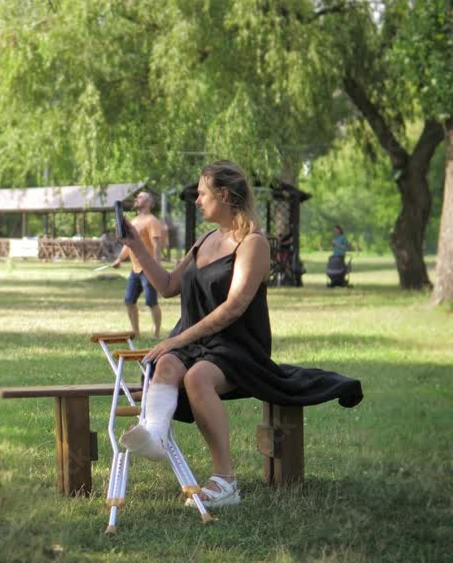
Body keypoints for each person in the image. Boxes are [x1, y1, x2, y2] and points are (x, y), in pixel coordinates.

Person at [115, 160, 362, 508]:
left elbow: (234, 307)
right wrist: (137, 247)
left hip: (237, 346)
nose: (197, 200)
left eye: (202, 194)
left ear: (225, 195)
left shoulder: (253, 244)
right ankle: (155, 436)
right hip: (195, 342)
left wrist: (178, 339)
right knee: (165, 365)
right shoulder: (204, 240)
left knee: (197, 377)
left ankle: (225, 481)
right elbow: (169, 285)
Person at [111, 191, 164, 338]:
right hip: (135, 270)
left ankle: (156, 334)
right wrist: (119, 259)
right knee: (129, 301)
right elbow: (128, 246)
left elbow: (156, 246)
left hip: (148, 269)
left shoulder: (152, 221)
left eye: (140, 197)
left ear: (149, 203)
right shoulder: (133, 221)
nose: (136, 199)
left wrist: (156, 269)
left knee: (152, 302)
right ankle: (136, 333)